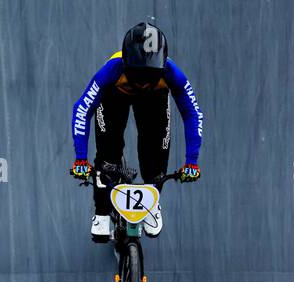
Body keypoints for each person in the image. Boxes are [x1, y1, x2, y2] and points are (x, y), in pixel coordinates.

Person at [70, 20, 203, 241]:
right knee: (107, 155)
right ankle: (102, 211)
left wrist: (192, 161)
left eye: (149, 75)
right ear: (125, 63)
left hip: (153, 99)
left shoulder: (172, 73)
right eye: (138, 75)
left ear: (161, 66)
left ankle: (151, 203)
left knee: (155, 157)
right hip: (115, 95)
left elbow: (192, 113)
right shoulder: (112, 69)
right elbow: (82, 109)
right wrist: (80, 160)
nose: (142, 82)